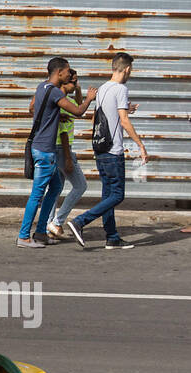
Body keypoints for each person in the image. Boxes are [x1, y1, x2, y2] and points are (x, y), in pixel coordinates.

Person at [67, 53, 148, 251]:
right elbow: (124, 121)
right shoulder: (121, 88)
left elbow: (98, 118)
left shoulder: (103, 88)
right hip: (113, 151)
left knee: (108, 194)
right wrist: (140, 145)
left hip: (101, 148)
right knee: (118, 195)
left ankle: (112, 237)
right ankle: (80, 221)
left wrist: (126, 108)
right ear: (127, 69)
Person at [19, 56, 95, 249]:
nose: (70, 75)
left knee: (54, 189)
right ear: (59, 72)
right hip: (45, 151)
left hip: (43, 148)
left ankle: (42, 232)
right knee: (37, 195)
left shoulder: (41, 87)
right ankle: (23, 237)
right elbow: (78, 111)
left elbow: (32, 108)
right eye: (68, 71)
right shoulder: (54, 93)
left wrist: (53, 114)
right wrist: (88, 99)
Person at [46, 70, 87, 239]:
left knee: (56, 189)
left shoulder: (64, 99)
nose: (75, 84)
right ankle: (57, 222)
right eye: (73, 82)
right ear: (64, 82)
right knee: (80, 186)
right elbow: (63, 132)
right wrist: (69, 158)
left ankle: (48, 228)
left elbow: (78, 105)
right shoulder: (61, 102)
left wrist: (78, 89)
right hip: (62, 148)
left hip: (56, 149)